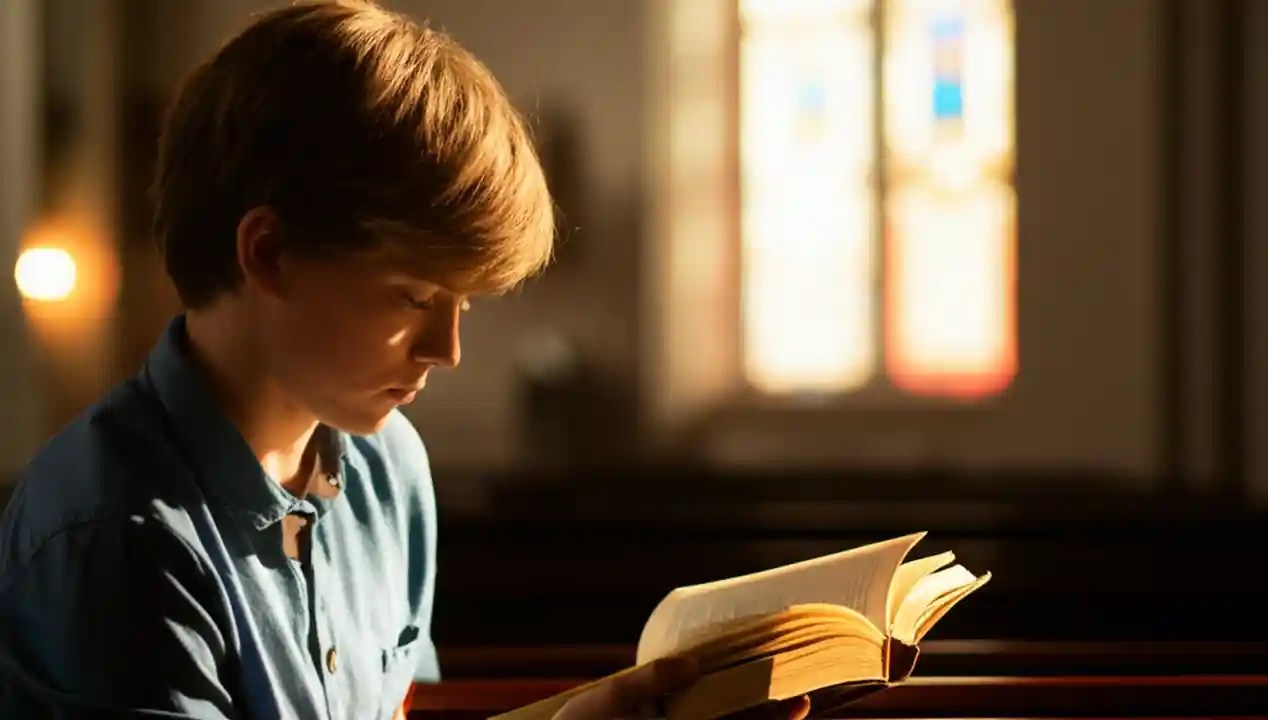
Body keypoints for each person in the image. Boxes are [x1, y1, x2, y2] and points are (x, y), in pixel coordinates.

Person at [0, 2, 807, 718]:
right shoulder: (120, 537)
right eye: (416, 297)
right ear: (271, 254)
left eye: (464, 306)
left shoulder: (390, 469)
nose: (446, 351)